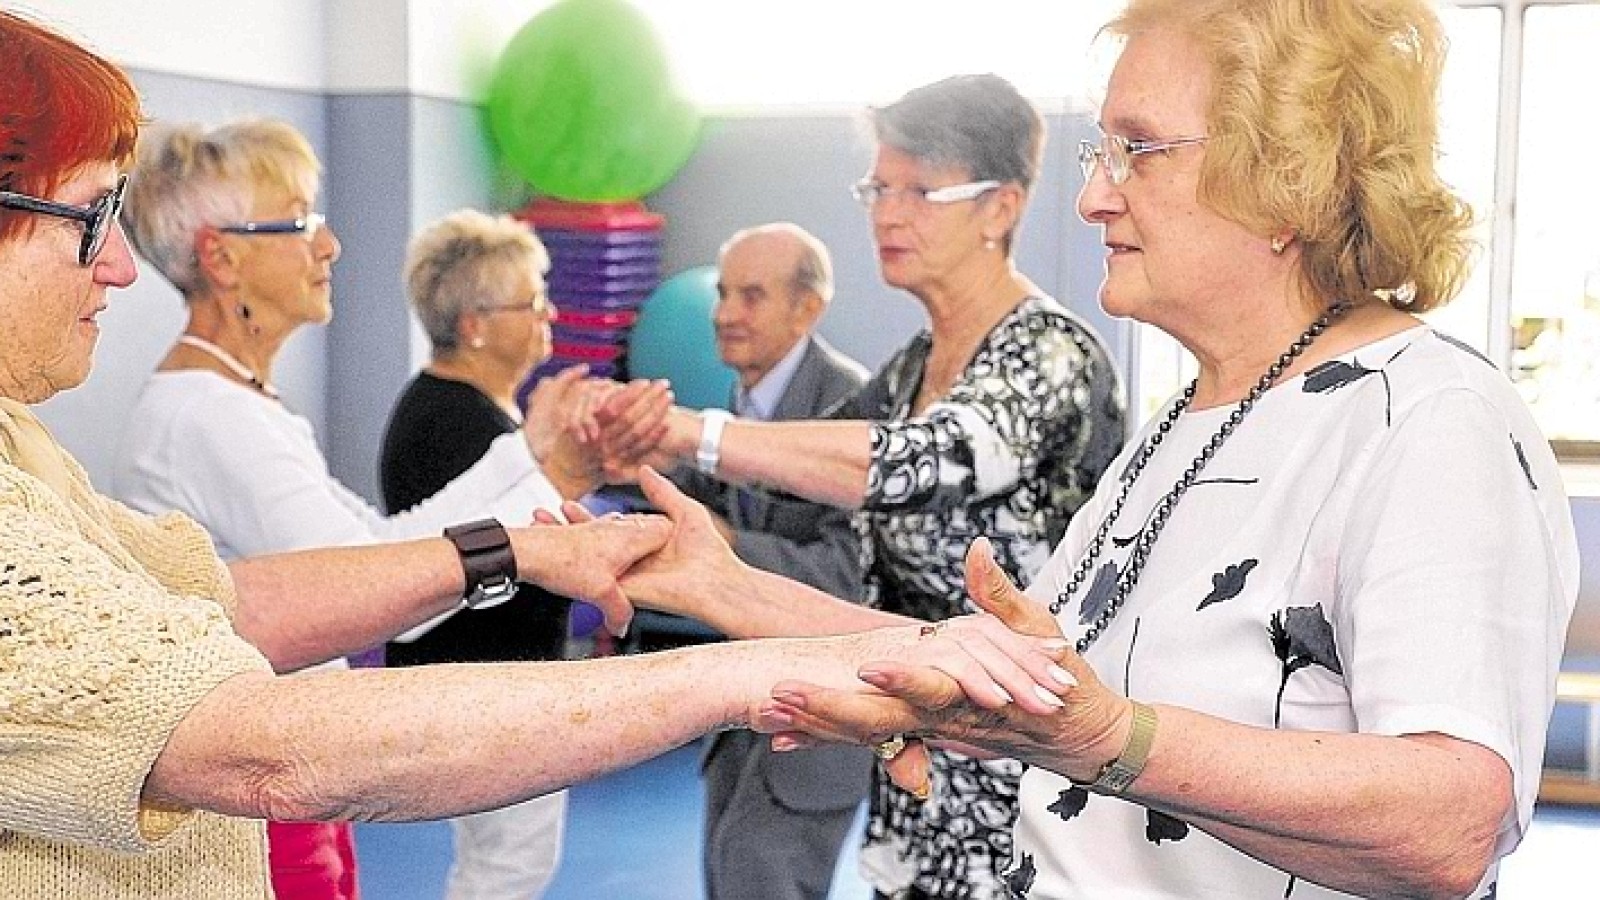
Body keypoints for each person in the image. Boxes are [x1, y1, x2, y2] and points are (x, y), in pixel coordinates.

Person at [0, 16, 1072, 899]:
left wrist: (514, 543)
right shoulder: (188, 418)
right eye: (92, 219)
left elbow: (225, 601)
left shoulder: (31, 441)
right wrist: (739, 654)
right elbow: (256, 741)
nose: (120, 272)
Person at [723, 1, 1582, 898]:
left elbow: (1451, 823)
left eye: (1139, 149)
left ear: (1287, 177)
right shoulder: (1192, 415)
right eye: (1102, 151)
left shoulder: (1432, 418)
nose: (1095, 194)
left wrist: (1110, 740)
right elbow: (1036, 684)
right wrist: (719, 585)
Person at [604, 74, 1126, 899]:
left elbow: (904, 461)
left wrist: (693, 431)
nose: (886, 212)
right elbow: (787, 462)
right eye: (880, 187)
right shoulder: (913, 367)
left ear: (1001, 207)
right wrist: (631, 448)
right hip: (919, 769)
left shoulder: (1050, 354)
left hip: (1031, 786)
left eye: (920, 190)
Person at [111, 121, 616, 899]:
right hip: (250, 791)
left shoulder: (241, 404)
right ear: (223, 256)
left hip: (285, 769)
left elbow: (378, 549)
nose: (329, 245)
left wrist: (531, 459)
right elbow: (384, 598)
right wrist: (541, 478)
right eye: (301, 220)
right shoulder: (206, 416)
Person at [378, 209, 585, 899]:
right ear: (475, 324)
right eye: (531, 303)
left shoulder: (468, 412)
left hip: (489, 681)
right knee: (507, 867)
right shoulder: (454, 422)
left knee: (504, 863)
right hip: (484, 684)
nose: (547, 314)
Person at [681, 223, 872, 900]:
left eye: (751, 295)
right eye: (723, 293)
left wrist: (728, 546)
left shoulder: (854, 411)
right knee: (728, 873)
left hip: (820, 720)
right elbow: (702, 513)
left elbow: (853, 578)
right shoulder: (737, 404)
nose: (726, 314)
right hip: (739, 713)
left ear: (807, 307)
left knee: (755, 872)